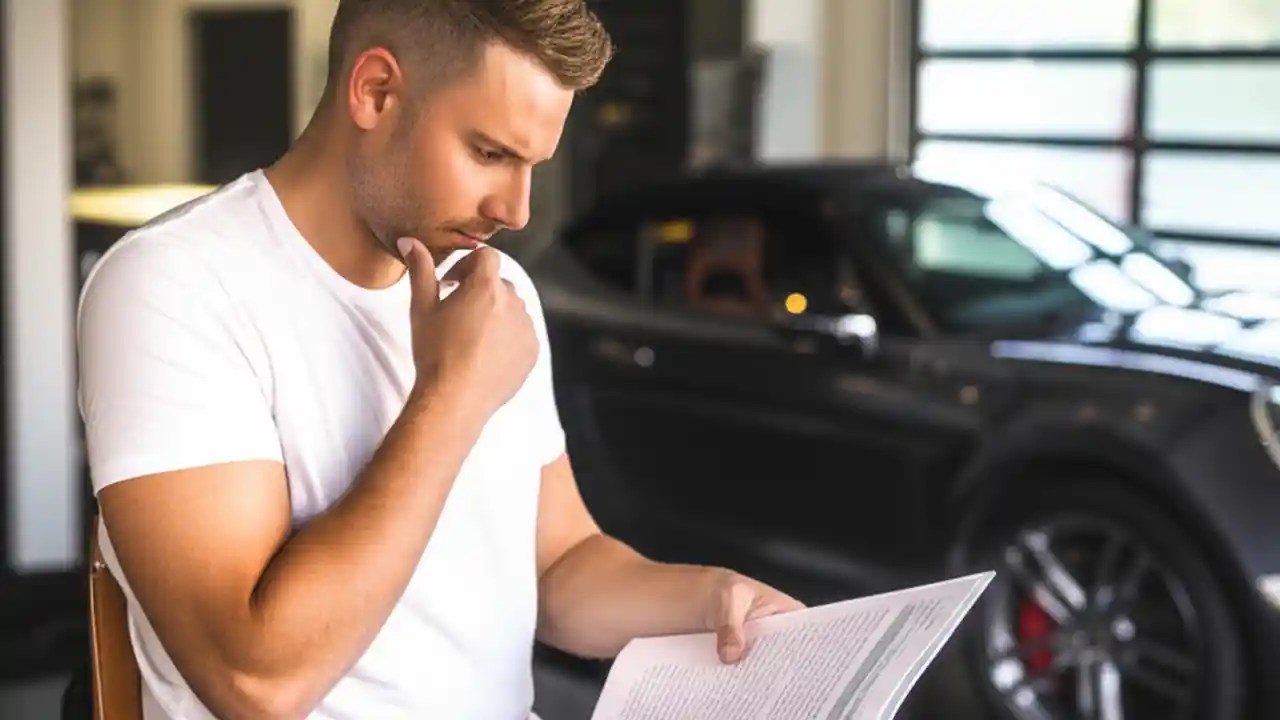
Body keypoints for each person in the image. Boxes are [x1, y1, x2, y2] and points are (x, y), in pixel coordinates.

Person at [75, 1, 804, 718]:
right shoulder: (174, 285)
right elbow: (257, 683)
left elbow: (558, 565)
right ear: (375, 91)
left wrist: (710, 598)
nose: (516, 210)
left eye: (532, 165)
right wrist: (453, 394)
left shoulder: (497, 291)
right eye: (490, 153)